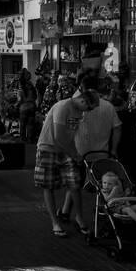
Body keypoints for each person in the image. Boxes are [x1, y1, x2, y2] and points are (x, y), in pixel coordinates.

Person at [35, 88, 98, 237]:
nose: (88, 111)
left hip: (66, 150)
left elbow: (70, 135)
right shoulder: (62, 107)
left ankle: (79, 218)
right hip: (48, 148)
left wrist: (75, 152)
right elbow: (59, 136)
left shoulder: (79, 111)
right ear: (83, 100)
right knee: (48, 185)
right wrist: (74, 154)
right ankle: (55, 222)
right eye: (89, 107)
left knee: (75, 183)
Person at [59, 82, 121, 226]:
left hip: (80, 152)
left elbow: (69, 130)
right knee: (102, 186)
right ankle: (100, 211)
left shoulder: (79, 108)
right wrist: (113, 149)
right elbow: (117, 128)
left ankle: (67, 212)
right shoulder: (108, 106)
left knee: (75, 184)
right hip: (102, 153)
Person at [17, 68, 38, 142]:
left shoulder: (20, 86)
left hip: (23, 108)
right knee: (30, 125)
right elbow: (35, 96)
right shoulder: (31, 84)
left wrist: (17, 105)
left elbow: (19, 99)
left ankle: (23, 141)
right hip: (32, 107)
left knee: (22, 125)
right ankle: (30, 140)